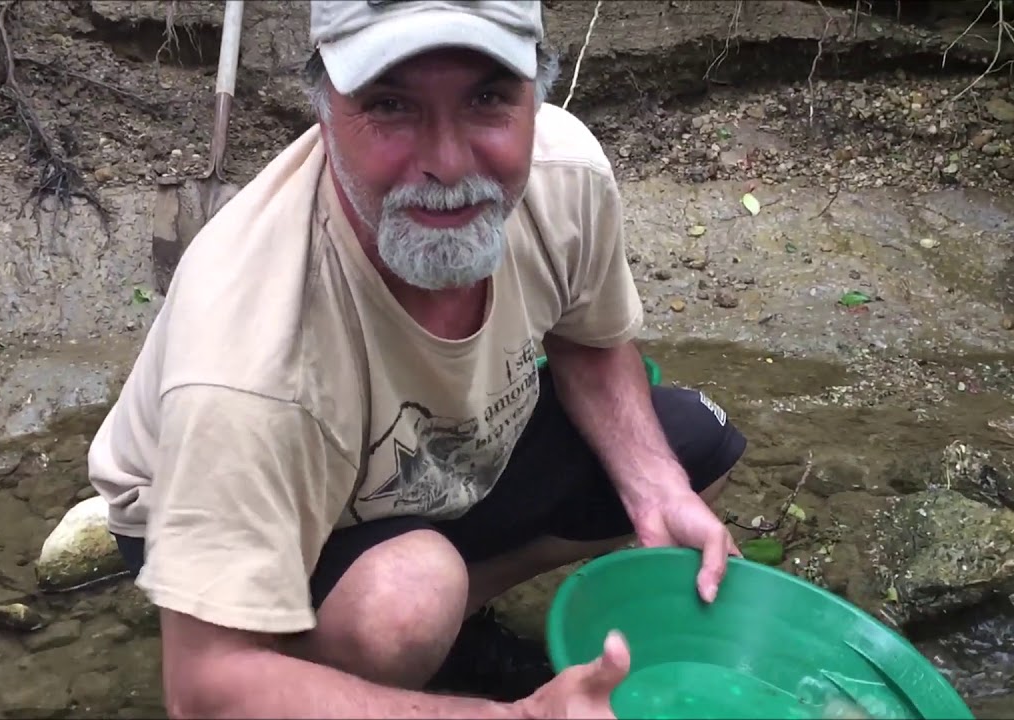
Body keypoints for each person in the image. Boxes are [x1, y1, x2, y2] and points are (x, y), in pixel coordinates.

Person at [86, 1, 749, 717]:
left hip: (432, 467)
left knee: (691, 445)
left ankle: (449, 632)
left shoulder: (568, 177)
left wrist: (658, 492)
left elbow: (589, 346)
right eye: (392, 106)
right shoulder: (250, 357)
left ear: (537, 95)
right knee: (407, 600)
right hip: (205, 504)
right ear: (323, 112)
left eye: (488, 98)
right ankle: (355, 662)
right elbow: (204, 687)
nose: (447, 164)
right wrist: (515, 718)